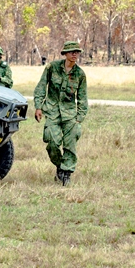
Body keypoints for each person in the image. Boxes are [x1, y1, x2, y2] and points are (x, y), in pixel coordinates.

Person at [33, 40, 88, 186]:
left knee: (70, 145)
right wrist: (38, 107)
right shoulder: (52, 67)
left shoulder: (80, 74)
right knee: (52, 141)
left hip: (70, 114)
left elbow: (82, 98)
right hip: (52, 111)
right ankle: (60, 166)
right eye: (72, 52)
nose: (75, 54)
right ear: (65, 54)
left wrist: (79, 118)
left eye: (77, 52)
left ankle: (66, 173)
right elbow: (41, 87)